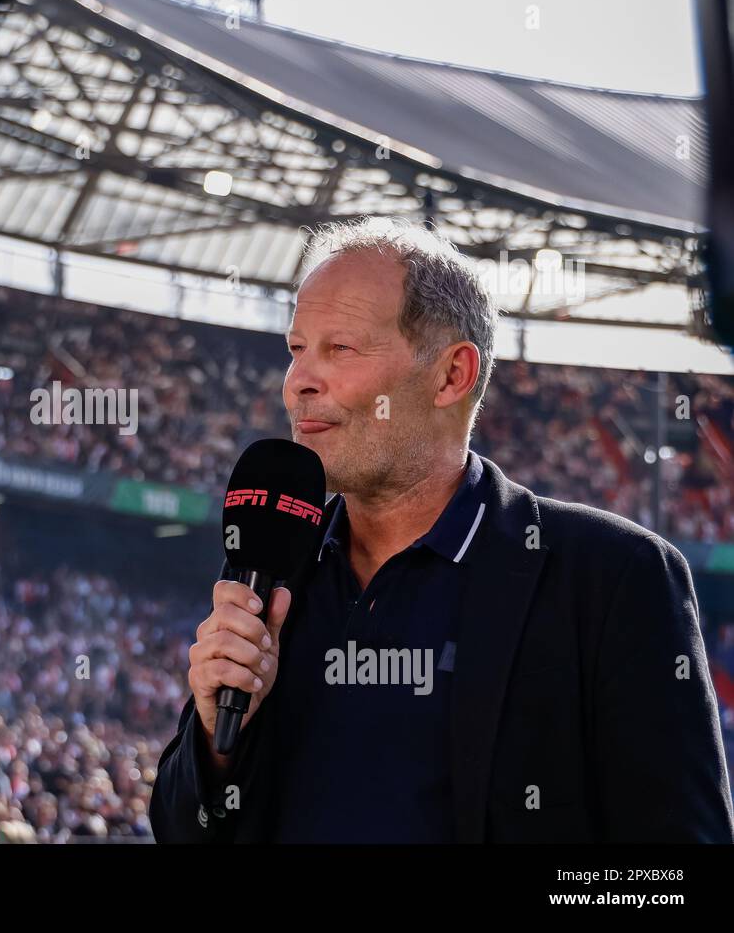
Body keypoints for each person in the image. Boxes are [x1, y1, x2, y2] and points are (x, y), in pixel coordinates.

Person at [151, 217, 734, 843]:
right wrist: (214, 744)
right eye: (296, 350)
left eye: (340, 349)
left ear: (451, 375)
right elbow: (184, 831)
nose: (298, 383)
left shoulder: (612, 578)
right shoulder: (277, 567)